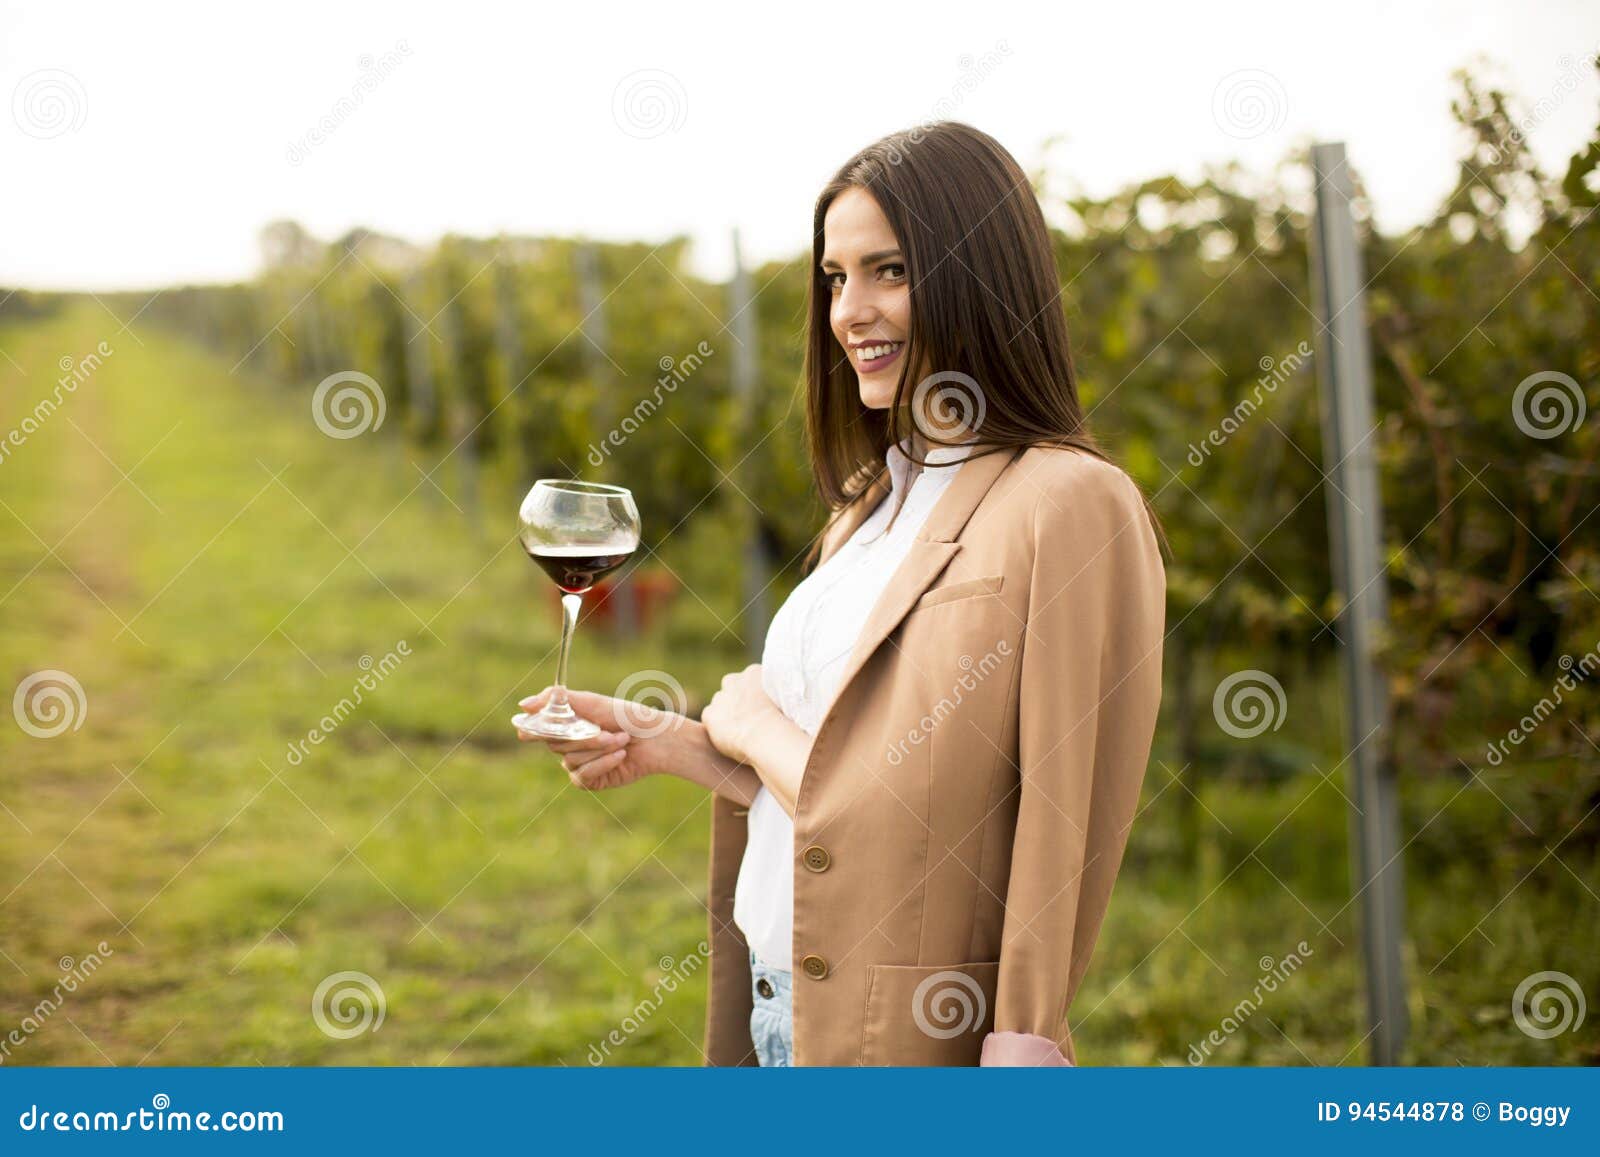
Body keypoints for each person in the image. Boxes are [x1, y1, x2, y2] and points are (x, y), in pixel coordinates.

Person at [515, 121, 1167, 1067]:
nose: (849, 310)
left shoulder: (1066, 502)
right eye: (835, 278)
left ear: (979, 278)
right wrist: (675, 742)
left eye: (890, 271)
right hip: (780, 1013)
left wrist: (750, 726)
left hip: (905, 1038)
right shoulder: (873, 501)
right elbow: (836, 781)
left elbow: (1044, 819)